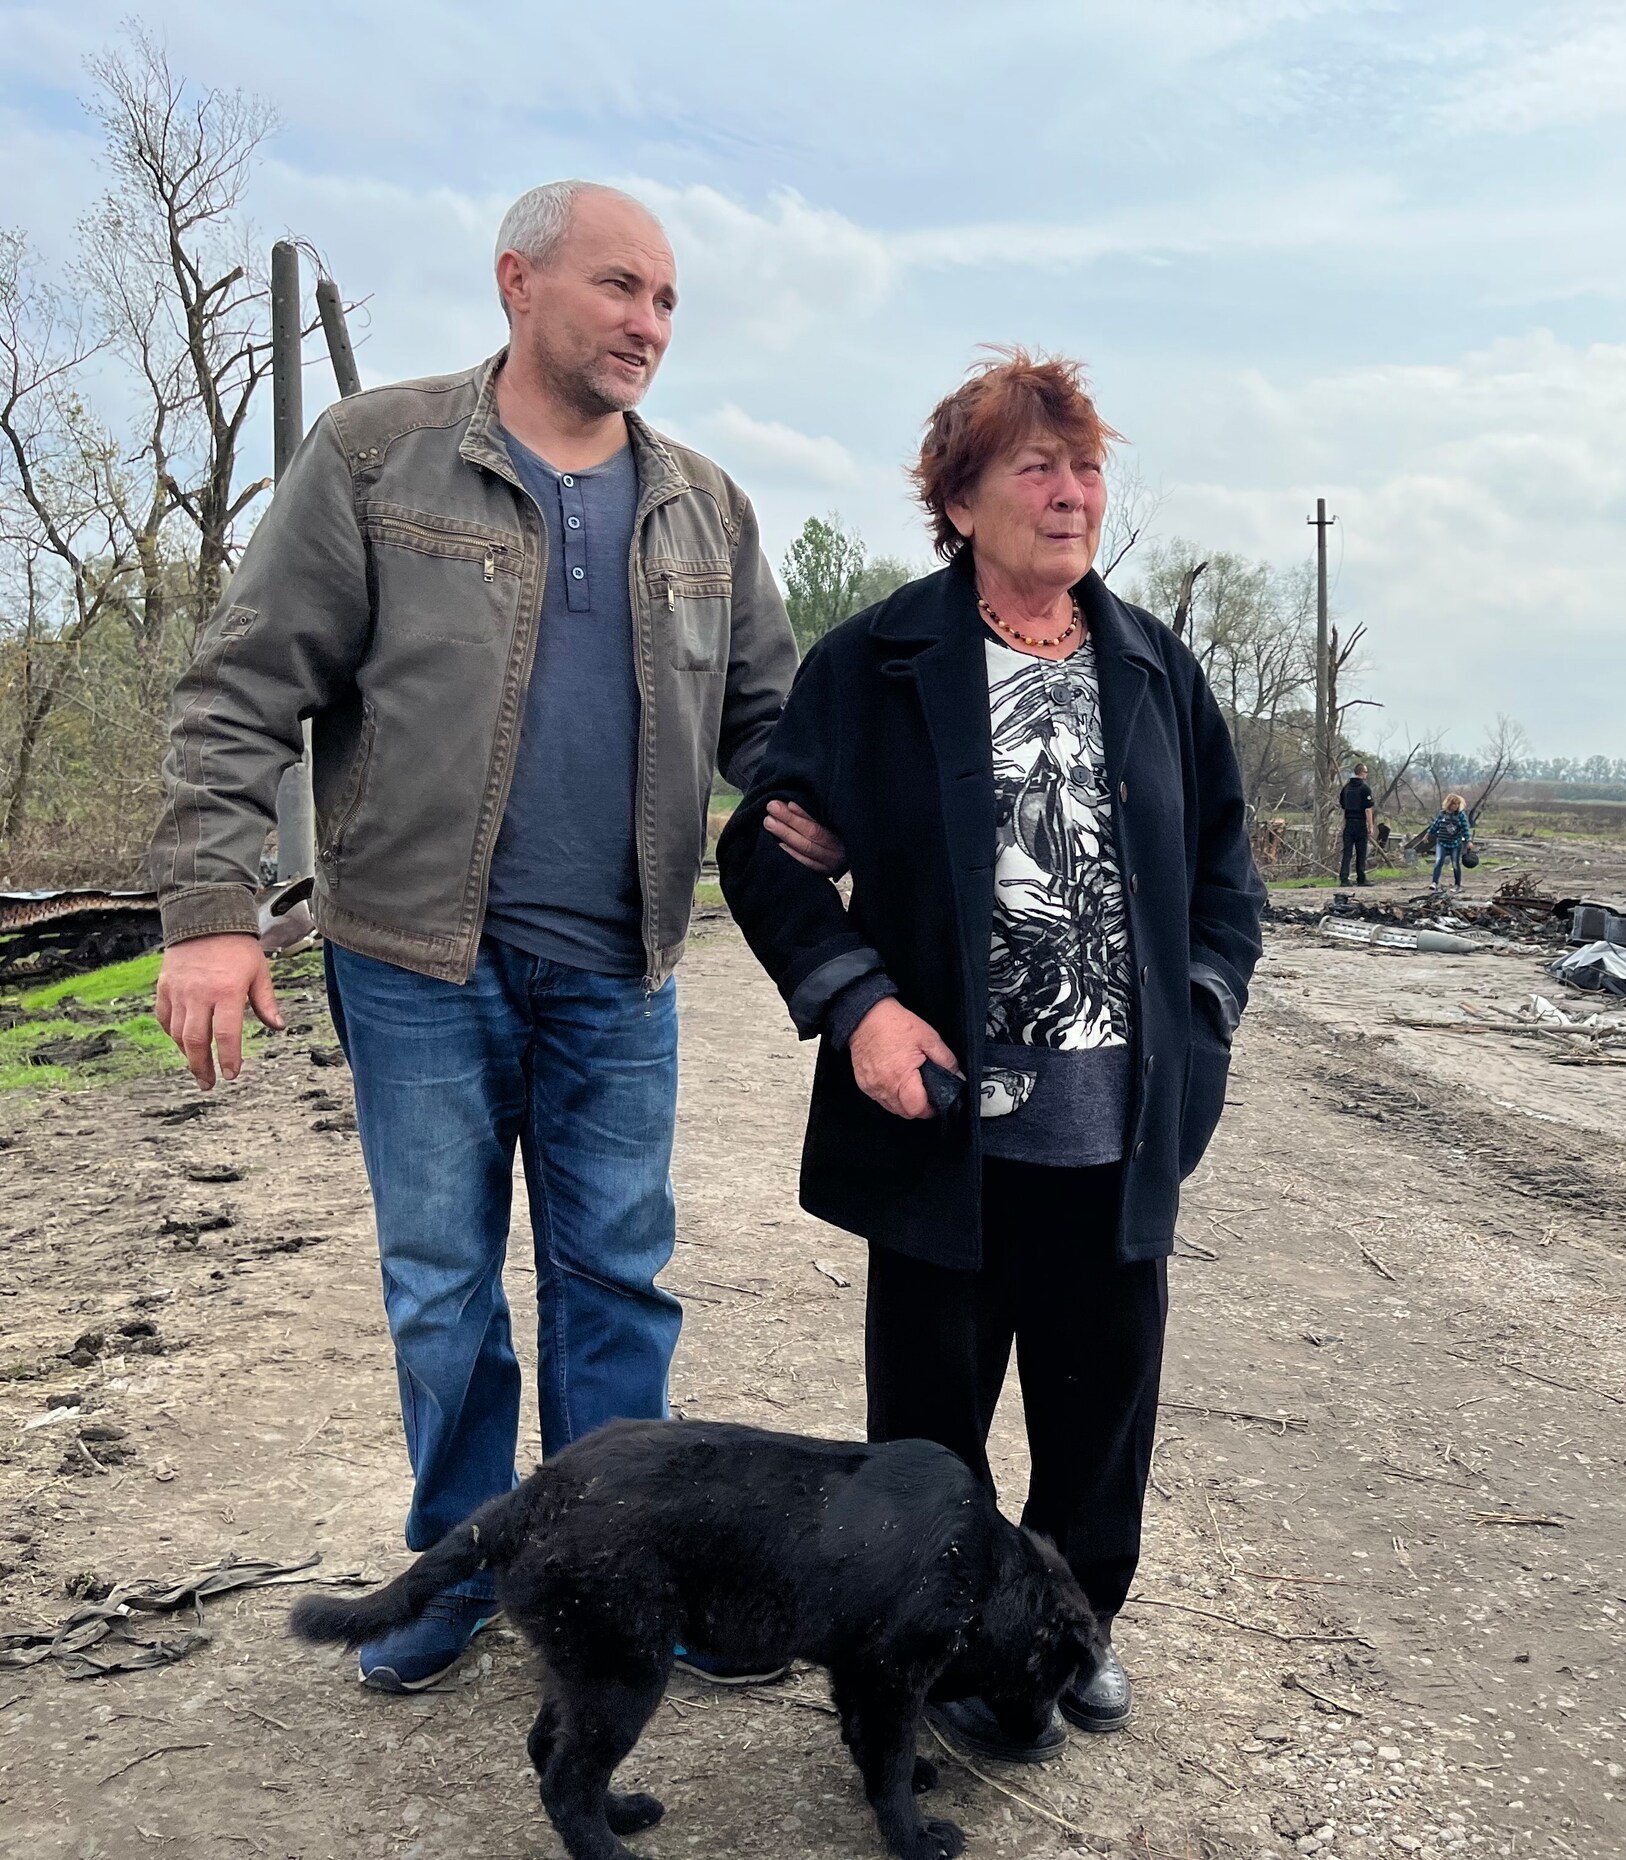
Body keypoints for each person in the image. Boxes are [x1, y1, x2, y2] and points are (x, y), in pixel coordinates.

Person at [147, 181, 803, 1693]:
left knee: (618, 1278)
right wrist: (208, 914)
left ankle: (626, 1569)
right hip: (414, 959)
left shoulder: (705, 504)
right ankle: (462, 1561)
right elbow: (244, 689)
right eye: (620, 288)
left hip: (620, 964)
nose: (648, 324)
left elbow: (776, 731)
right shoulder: (377, 460)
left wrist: (885, 842)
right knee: (443, 1283)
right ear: (518, 281)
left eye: (667, 303)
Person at [719, 349, 1263, 1763]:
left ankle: (1072, 1631)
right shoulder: (877, 664)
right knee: (930, 1431)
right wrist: (858, 1002)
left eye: (1086, 468)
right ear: (959, 501)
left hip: (1110, 1139)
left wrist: (1199, 1017)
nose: (1072, 492)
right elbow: (763, 859)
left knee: (1097, 1433)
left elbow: (1227, 880)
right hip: (942, 1133)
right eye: (1037, 467)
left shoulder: (1153, 672)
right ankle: (945, 1636)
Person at [1337, 764, 1375, 886]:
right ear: (1362, 773)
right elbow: (1368, 809)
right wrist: (1371, 826)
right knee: (1361, 852)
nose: (1367, 774)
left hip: (1348, 823)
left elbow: (1343, 806)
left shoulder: (1346, 788)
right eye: (1366, 772)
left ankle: (1344, 878)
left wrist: (1344, 822)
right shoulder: (1364, 789)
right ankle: (1361, 878)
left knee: (1347, 852)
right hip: (1360, 823)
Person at [1428, 793, 1473, 888]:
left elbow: (1465, 828)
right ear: (1449, 804)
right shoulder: (1442, 814)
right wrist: (1427, 835)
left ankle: (1457, 884)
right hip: (1442, 842)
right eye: (1453, 804)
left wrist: (1468, 840)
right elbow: (1435, 825)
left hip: (1455, 843)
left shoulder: (1461, 815)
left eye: (1457, 804)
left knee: (1455, 864)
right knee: (1439, 861)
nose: (1455, 806)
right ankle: (1434, 882)